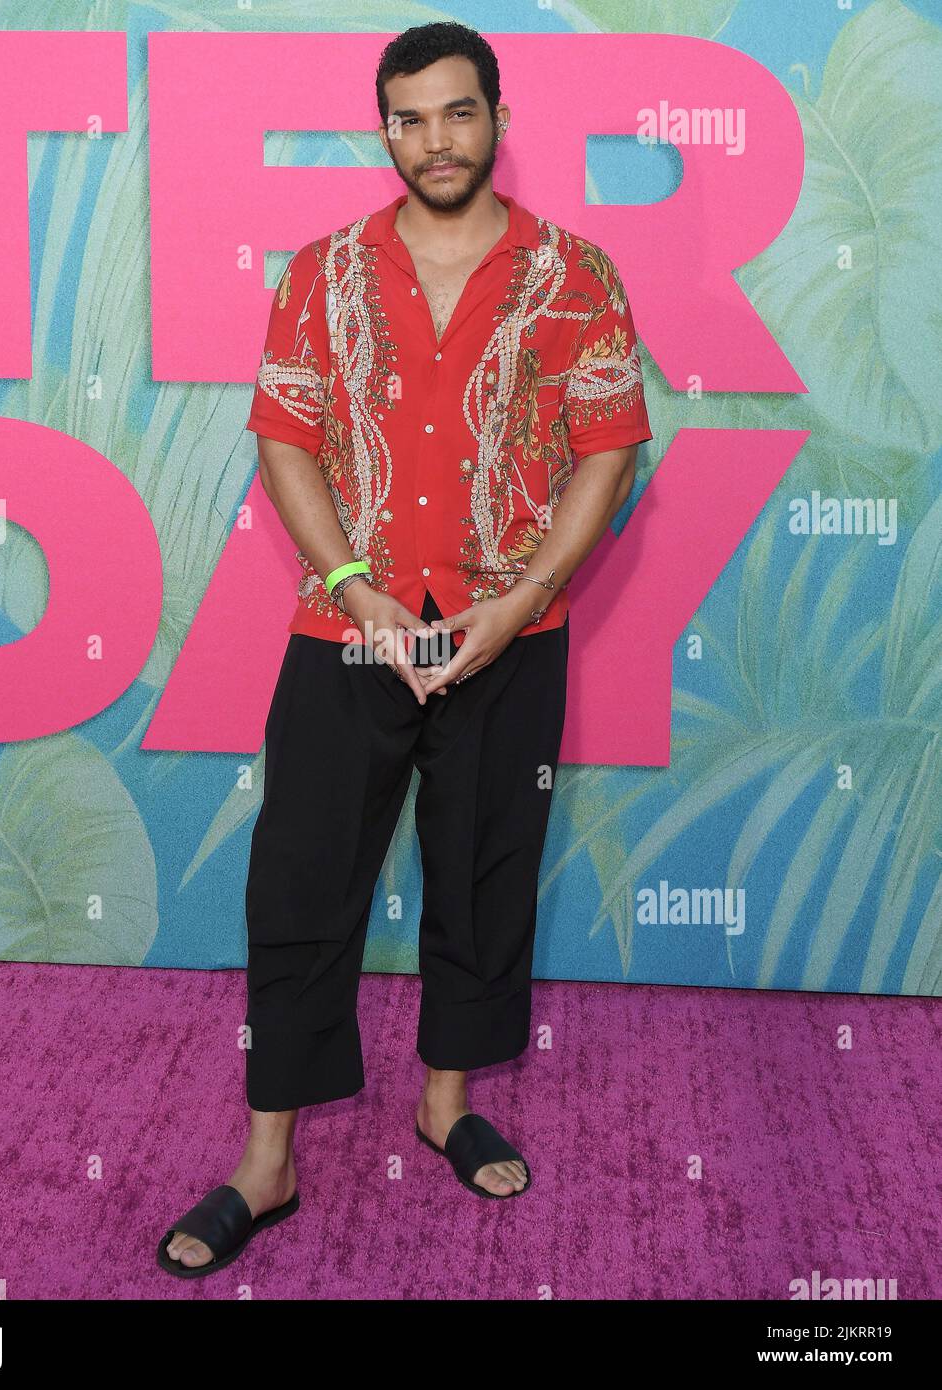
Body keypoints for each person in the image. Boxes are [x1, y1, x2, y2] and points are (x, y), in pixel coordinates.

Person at [157, 20, 653, 1277]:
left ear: (496, 115)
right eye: (409, 118)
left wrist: (523, 595)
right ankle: (265, 1162)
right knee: (300, 879)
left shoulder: (575, 274)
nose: (435, 139)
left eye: (456, 112)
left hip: (509, 627)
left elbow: (607, 448)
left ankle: (443, 1101)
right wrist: (353, 589)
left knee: (482, 870)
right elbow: (285, 435)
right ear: (383, 128)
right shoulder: (319, 272)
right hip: (349, 631)